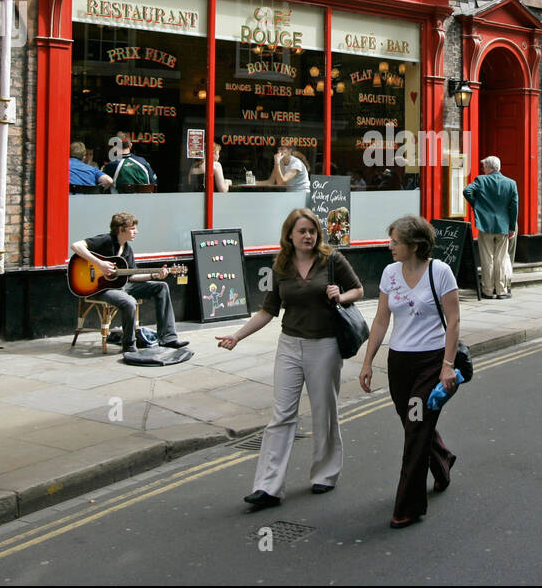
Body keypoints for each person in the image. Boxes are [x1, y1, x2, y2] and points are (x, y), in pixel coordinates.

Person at [217, 209, 363, 510]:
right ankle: (267, 487)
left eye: (312, 230)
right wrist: (238, 336)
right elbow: (268, 310)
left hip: (324, 345)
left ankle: (325, 473)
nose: (308, 235)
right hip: (290, 346)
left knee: (324, 411)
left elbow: (358, 289)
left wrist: (341, 295)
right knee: (281, 415)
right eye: (302, 231)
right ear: (290, 236)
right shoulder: (279, 266)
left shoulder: (331, 259)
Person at [358, 214, 459, 529]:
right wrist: (367, 361)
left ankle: (408, 506)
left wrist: (447, 365)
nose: (390, 247)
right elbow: (381, 320)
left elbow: (454, 320)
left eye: (396, 242)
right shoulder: (390, 273)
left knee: (416, 431)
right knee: (413, 423)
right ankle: (442, 460)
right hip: (400, 363)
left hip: (431, 361)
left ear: (415, 245)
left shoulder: (440, 272)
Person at [71, 212, 188, 355]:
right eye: (132, 228)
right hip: (101, 288)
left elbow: (131, 276)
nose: (136, 232)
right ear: (121, 230)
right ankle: (129, 345)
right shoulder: (105, 240)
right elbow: (76, 245)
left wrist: (154, 275)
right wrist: (100, 264)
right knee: (129, 302)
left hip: (123, 286)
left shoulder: (127, 249)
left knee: (161, 287)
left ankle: (168, 338)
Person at [462, 155, 518, 300]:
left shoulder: (481, 180)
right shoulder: (511, 183)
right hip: (503, 225)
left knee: (487, 258)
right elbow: (514, 207)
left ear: (488, 168)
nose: (482, 169)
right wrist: (512, 227)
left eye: (484, 166)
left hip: (485, 224)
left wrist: (478, 206)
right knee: (500, 258)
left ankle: (488, 290)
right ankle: (501, 290)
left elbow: (467, 191)